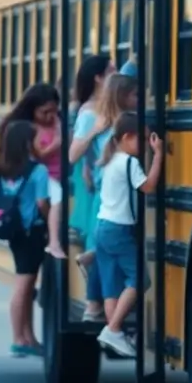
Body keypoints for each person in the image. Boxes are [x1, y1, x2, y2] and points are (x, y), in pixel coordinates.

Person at [93, 111, 164, 357]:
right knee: (140, 279)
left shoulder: (109, 160)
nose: (145, 145)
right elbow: (149, 186)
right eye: (142, 140)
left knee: (112, 286)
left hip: (102, 226)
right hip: (119, 229)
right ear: (127, 137)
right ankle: (113, 330)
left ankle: (116, 333)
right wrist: (158, 155)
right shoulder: (129, 162)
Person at [0, 119, 50, 357]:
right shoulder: (38, 171)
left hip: (13, 230)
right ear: (27, 143)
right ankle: (18, 339)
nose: (40, 141)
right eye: (36, 138)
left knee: (24, 284)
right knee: (23, 286)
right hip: (31, 231)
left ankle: (27, 338)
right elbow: (42, 203)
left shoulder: (2, 169)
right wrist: (52, 220)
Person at [67, 55, 117, 321]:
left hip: (111, 184)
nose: (116, 71)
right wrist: (95, 131)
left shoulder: (108, 105)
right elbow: (72, 154)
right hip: (102, 187)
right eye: (111, 69)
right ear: (98, 77)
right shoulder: (89, 113)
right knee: (103, 241)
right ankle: (93, 304)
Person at [0, 82, 65, 259]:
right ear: (32, 108)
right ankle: (54, 241)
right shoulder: (24, 129)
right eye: (45, 112)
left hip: (58, 177)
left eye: (54, 111)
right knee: (57, 198)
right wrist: (56, 144)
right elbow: (29, 159)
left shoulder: (57, 122)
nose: (50, 116)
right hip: (41, 181)